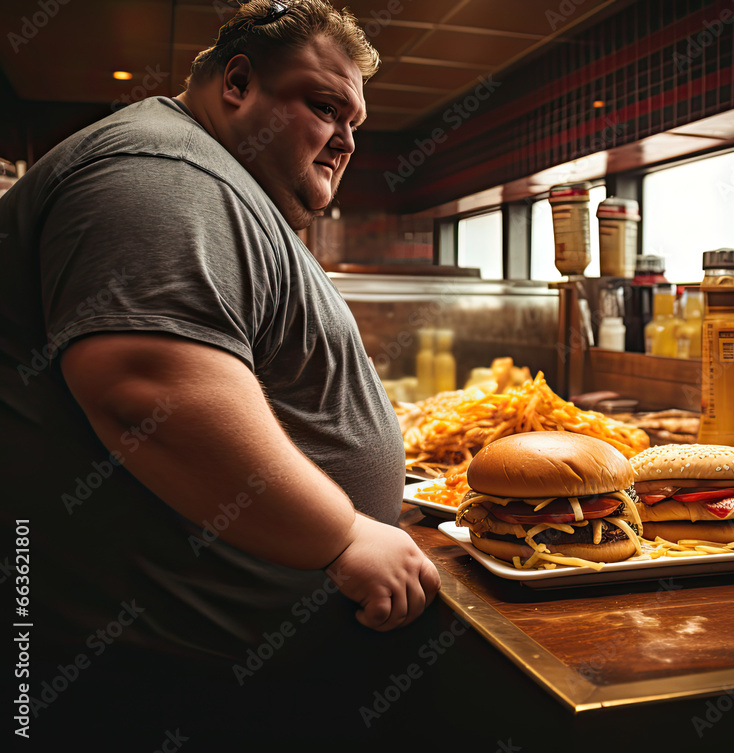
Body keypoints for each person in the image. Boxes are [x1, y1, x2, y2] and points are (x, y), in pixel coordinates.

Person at [0, 0, 440, 744]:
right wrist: (342, 536)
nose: (344, 140)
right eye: (326, 106)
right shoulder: (163, 169)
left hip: (195, 669)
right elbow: (149, 389)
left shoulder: (219, 183)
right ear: (238, 83)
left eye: (355, 124)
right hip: (142, 683)